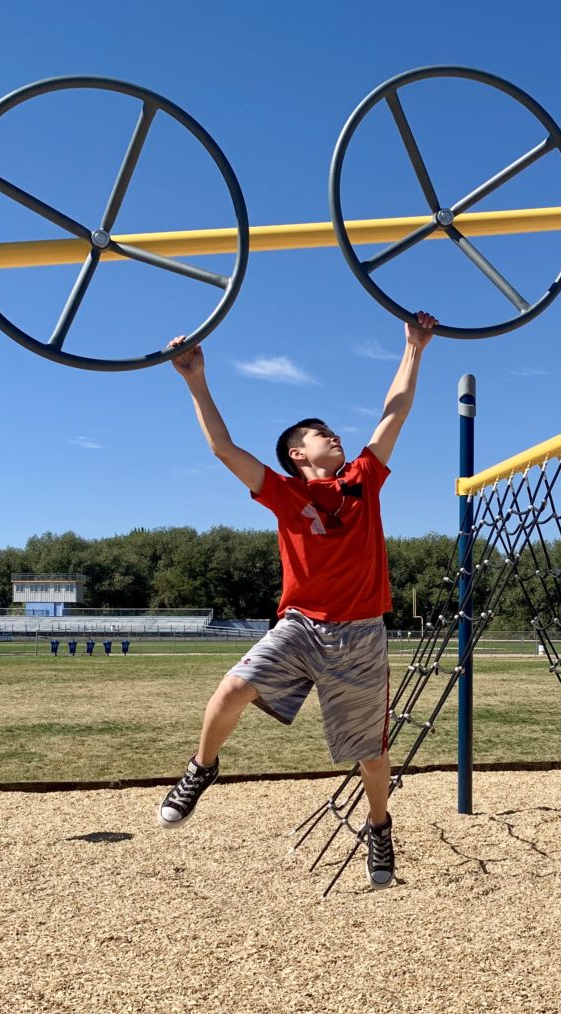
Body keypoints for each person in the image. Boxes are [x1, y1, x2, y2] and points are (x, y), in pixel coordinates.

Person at [156, 312, 438, 890]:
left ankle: (379, 827)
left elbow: (395, 410)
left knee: (372, 755)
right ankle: (200, 768)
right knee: (232, 687)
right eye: (319, 433)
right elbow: (222, 448)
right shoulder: (284, 493)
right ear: (297, 455)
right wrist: (195, 380)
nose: (333, 435)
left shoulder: (363, 477)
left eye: (332, 430)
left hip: (361, 633)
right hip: (303, 625)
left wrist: (414, 347)